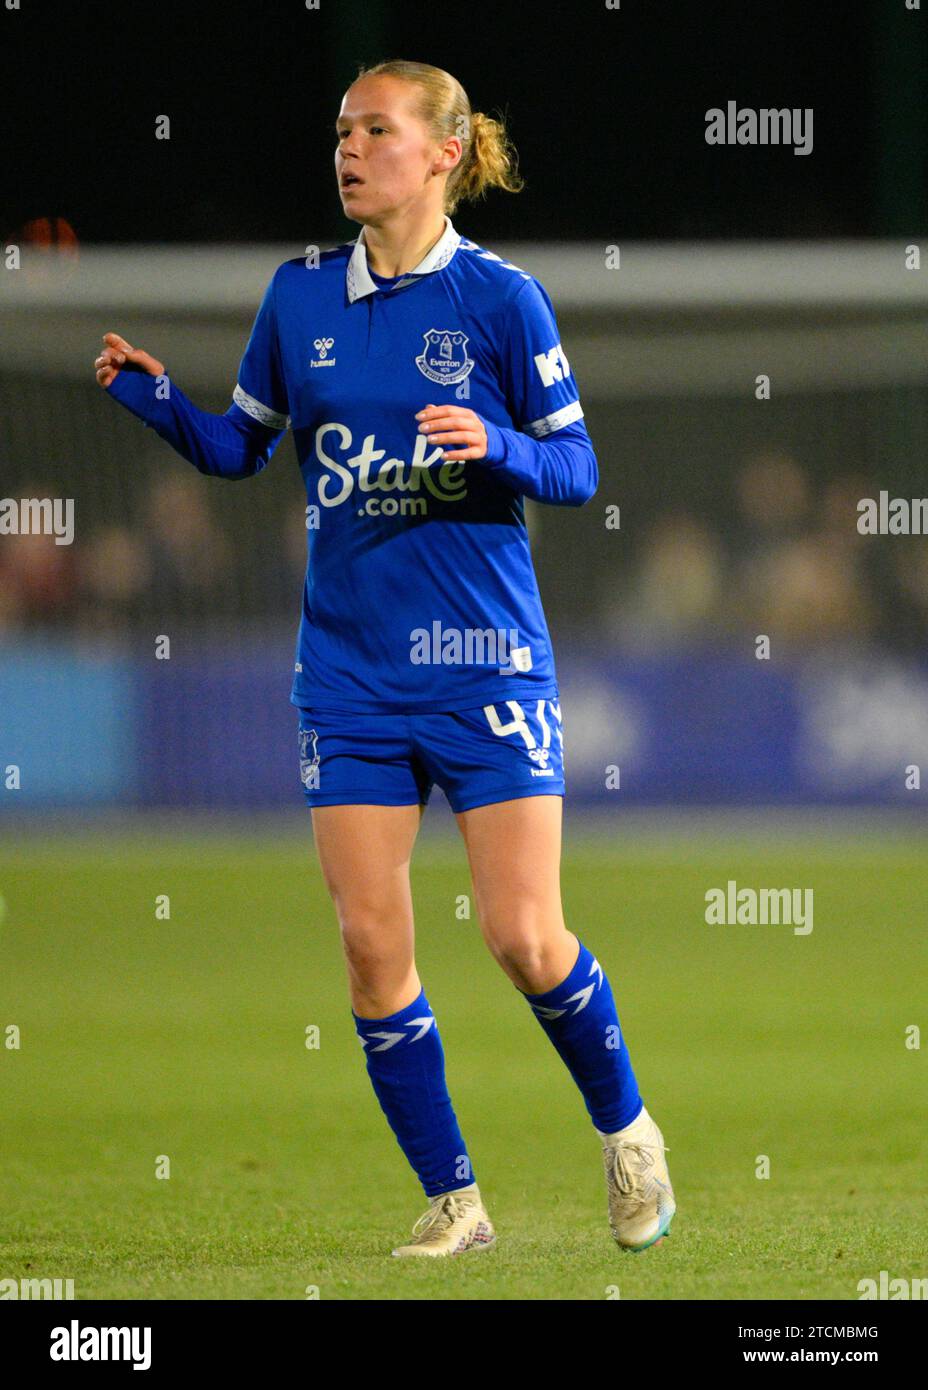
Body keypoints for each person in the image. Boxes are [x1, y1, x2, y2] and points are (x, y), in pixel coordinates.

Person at [94, 58, 675, 1258]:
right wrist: (160, 405)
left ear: (442, 153)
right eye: (341, 130)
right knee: (371, 940)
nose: (347, 149)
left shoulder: (503, 303)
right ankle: (455, 1201)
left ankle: (627, 1132)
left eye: (374, 129)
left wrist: (500, 443)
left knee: (521, 935)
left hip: (484, 663)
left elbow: (577, 471)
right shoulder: (298, 296)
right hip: (348, 673)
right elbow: (238, 450)